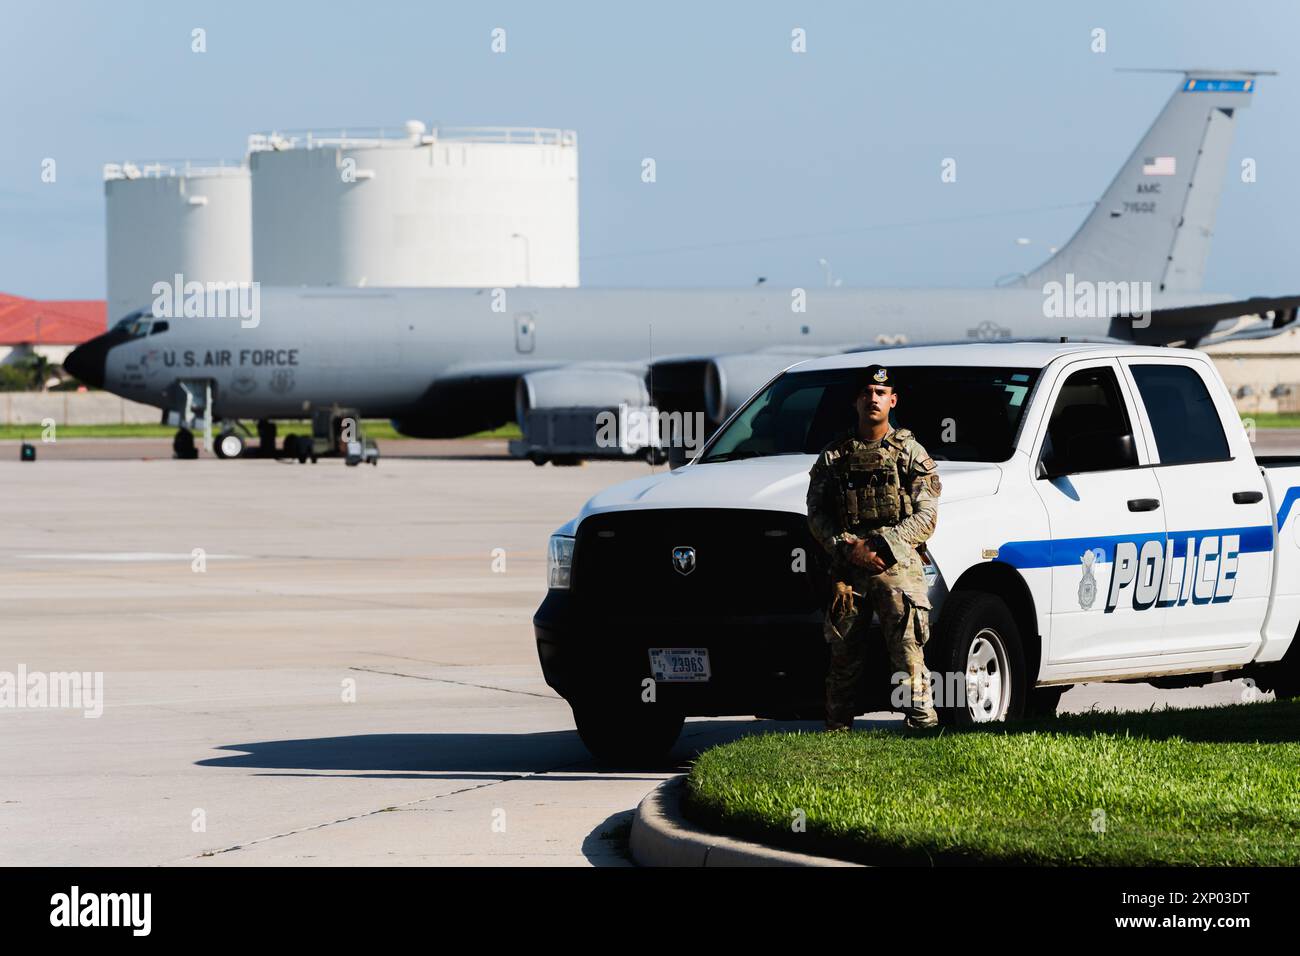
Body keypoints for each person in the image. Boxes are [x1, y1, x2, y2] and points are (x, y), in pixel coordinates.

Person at [806, 364, 942, 730]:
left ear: (892, 400)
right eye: (866, 392)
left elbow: (927, 516)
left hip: (896, 567)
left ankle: (923, 726)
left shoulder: (910, 453)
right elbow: (816, 514)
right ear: (856, 401)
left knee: (909, 651)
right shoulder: (834, 457)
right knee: (843, 656)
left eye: (881, 393)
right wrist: (848, 547)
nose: (873, 398)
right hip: (848, 567)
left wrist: (882, 545)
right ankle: (837, 734)